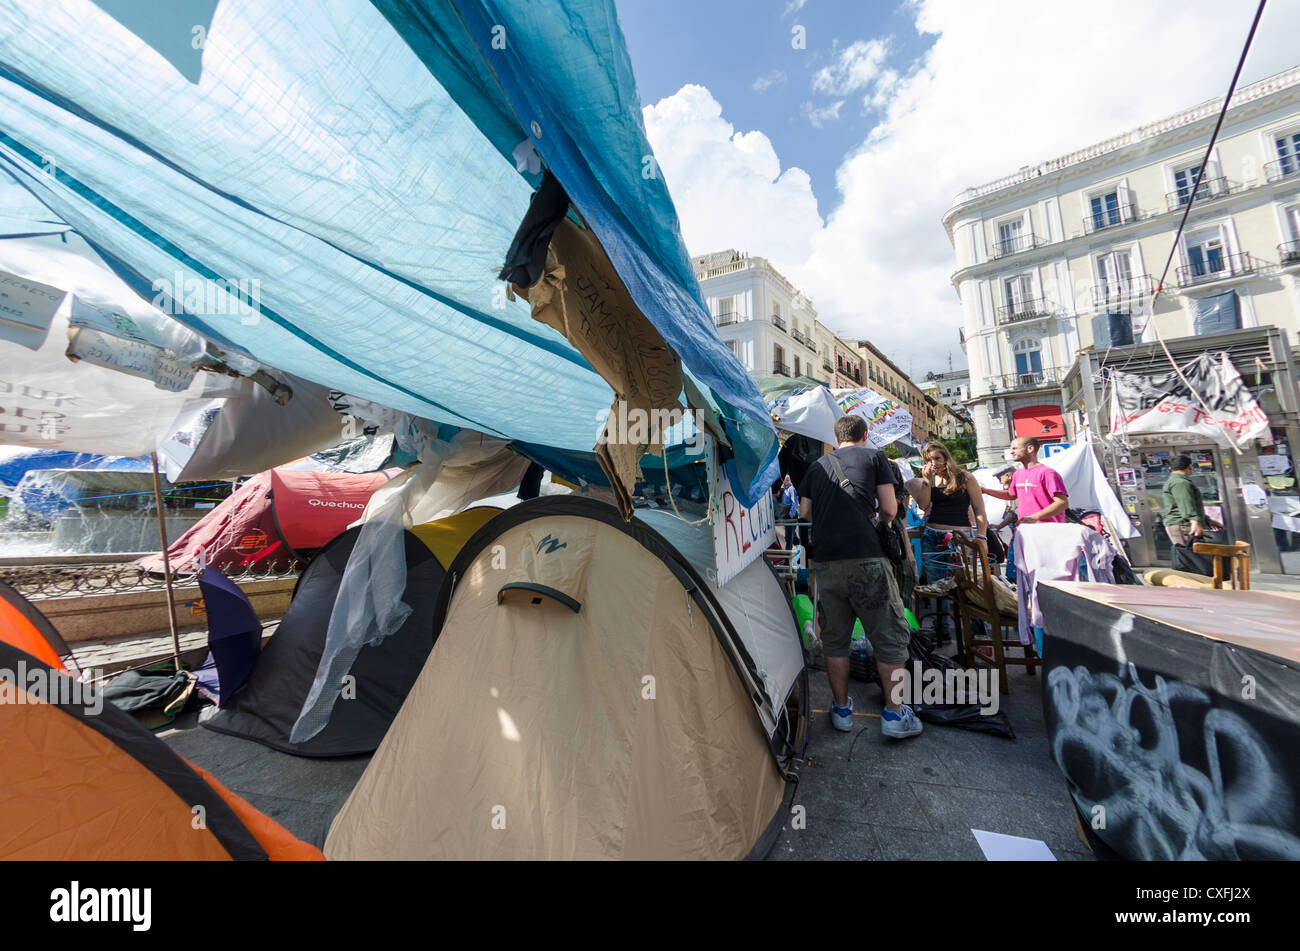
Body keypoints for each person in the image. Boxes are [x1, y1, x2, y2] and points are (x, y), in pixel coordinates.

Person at [799, 415, 922, 739]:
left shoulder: (817, 466)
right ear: (865, 435)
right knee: (888, 636)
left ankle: (841, 710)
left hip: (826, 562)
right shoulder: (875, 457)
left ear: (836, 437)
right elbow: (890, 509)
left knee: (836, 638)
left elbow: (804, 512)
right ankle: (894, 715)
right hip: (867, 558)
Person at [919, 441, 988, 643]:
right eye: (928, 460)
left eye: (937, 459)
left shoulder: (965, 477)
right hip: (933, 535)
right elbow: (924, 505)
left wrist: (981, 536)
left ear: (946, 457)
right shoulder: (929, 479)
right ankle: (942, 632)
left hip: (960, 537)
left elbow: (980, 510)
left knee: (968, 583)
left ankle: (978, 633)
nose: (933, 463)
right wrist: (926, 480)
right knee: (935, 585)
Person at [984, 436, 1069, 524]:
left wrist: (1034, 517)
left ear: (1030, 448)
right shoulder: (1018, 474)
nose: (1011, 452)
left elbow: (1062, 503)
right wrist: (985, 490)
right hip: (1025, 530)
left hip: (1048, 530)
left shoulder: (1047, 473)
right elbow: (1011, 495)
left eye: (1015, 448)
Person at [1163, 454, 1222, 574]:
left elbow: (1189, 505)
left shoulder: (1177, 481)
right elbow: (1186, 505)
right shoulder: (1180, 482)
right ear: (1190, 467)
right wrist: (1195, 522)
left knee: (1193, 558)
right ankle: (1193, 585)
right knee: (1191, 559)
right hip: (1183, 525)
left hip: (1183, 523)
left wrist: (1206, 520)